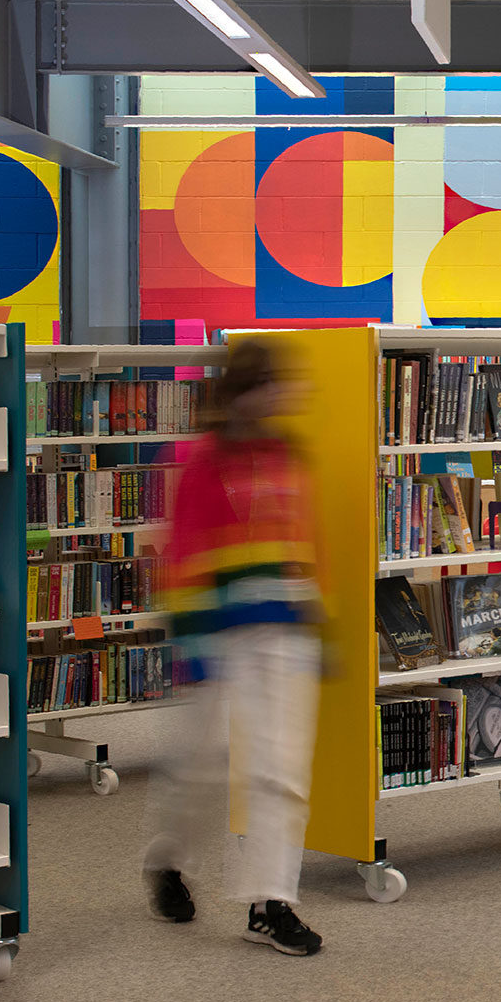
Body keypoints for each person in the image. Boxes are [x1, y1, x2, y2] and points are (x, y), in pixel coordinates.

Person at [142, 340, 325, 956]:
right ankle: (167, 859)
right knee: (201, 763)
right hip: (218, 631)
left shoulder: (289, 456)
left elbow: (304, 544)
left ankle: (269, 903)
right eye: (271, 383)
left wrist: (315, 619)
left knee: (281, 772)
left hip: (284, 632)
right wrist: (193, 642)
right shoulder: (203, 460)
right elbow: (185, 550)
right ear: (244, 391)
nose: (283, 395)